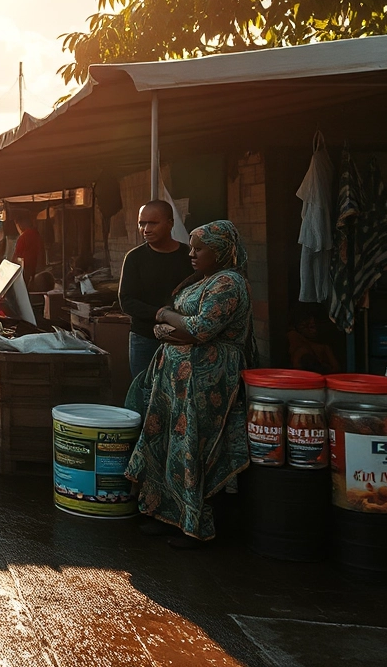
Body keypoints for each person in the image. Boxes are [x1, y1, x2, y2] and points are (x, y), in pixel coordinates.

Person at [126, 219, 254, 549]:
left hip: (206, 382)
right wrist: (172, 328)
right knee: (169, 444)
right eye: (192, 247)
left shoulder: (228, 283)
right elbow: (184, 329)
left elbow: (199, 329)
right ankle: (166, 514)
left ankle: (194, 525)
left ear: (221, 250)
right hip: (177, 381)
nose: (192, 254)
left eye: (200, 248)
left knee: (194, 446)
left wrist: (166, 317)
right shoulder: (206, 279)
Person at [117, 200, 196, 381]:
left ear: (170, 223)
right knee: (144, 391)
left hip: (182, 339)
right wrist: (160, 314)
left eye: (153, 223)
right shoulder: (134, 258)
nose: (146, 229)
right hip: (145, 338)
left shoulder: (189, 256)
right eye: (141, 223)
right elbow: (126, 300)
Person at [11, 209, 46, 279]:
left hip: (27, 270)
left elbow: (17, 256)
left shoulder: (24, 237)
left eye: (18, 225)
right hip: (37, 270)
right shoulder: (36, 234)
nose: (18, 227)